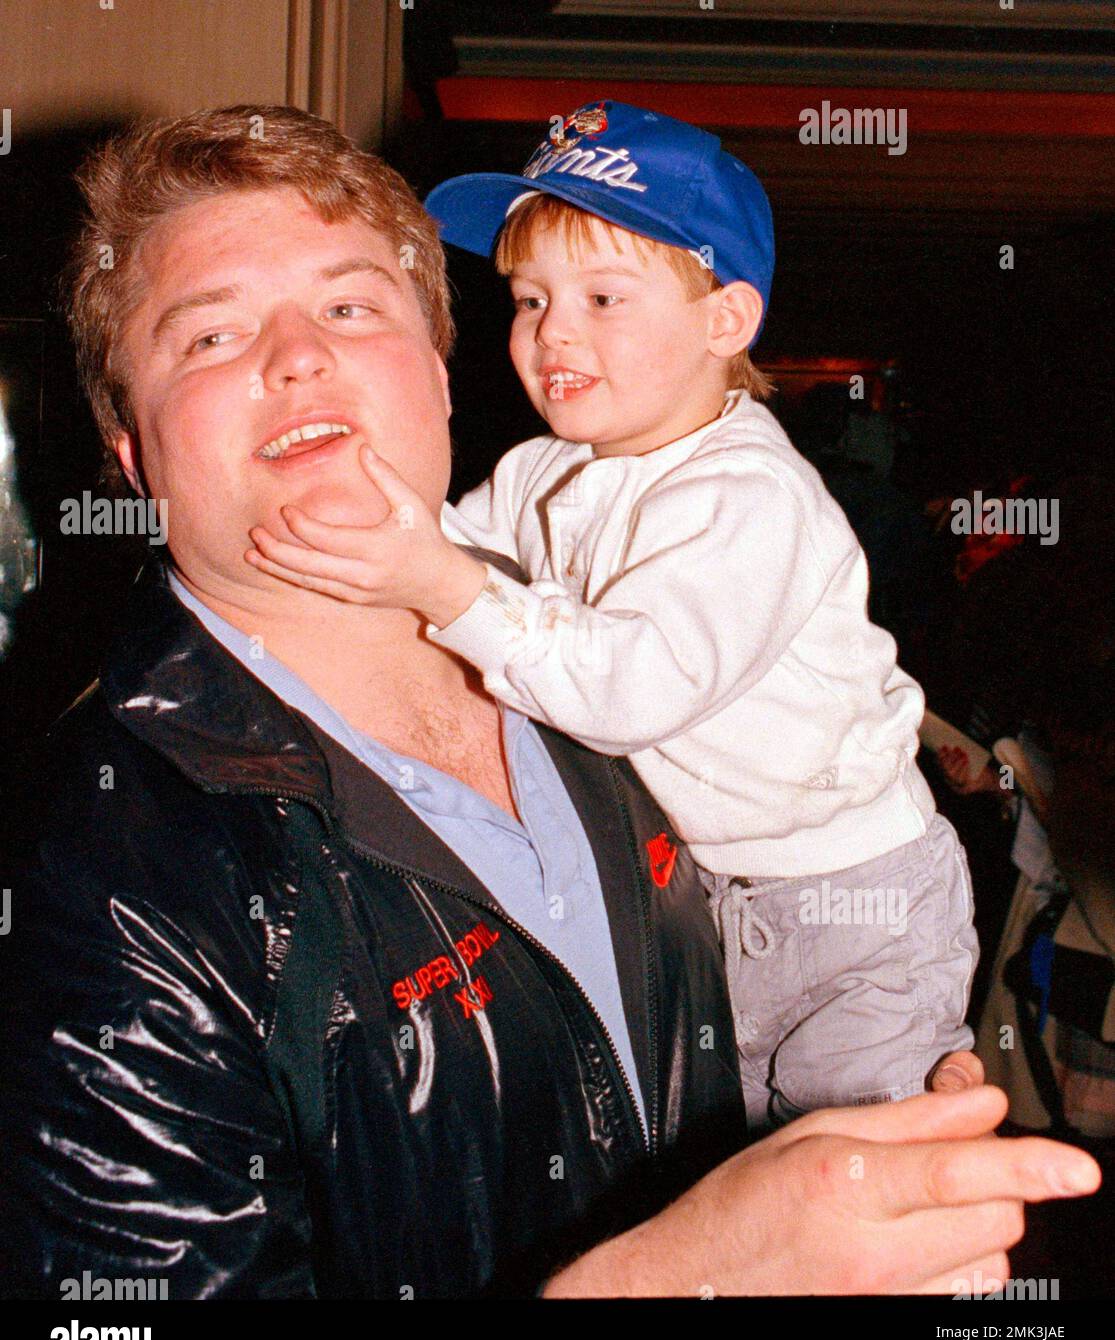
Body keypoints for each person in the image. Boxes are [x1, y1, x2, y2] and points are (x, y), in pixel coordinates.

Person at [0, 104, 1097, 1302]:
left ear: (432, 366)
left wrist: (868, 1192)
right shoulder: (100, 876)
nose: (297, 356)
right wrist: (674, 1279)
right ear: (126, 449)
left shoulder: (581, 621)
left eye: (351, 306)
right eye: (208, 336)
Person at [249, 100, 977, 1135]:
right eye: (529, 298)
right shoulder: (544, 473)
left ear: (723, 322)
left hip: (853, 905)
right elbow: (444, 557)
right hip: (714, 897)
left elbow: (619, 686)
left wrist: (442, 583)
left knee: (851, 1169)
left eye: (601, 296)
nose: (553, 333)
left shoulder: (746, 497)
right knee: (731, 1167)